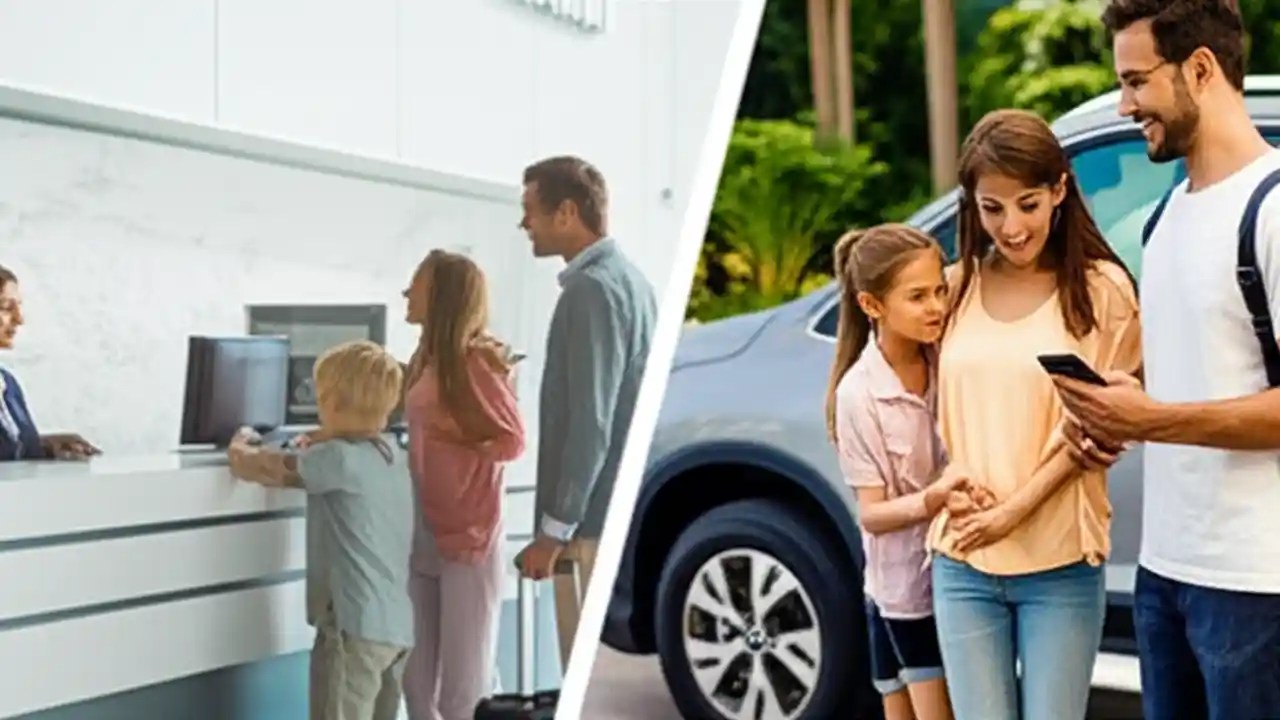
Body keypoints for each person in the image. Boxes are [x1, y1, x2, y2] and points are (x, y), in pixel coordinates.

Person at [1053, 3, 1280, 718]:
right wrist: (1119, 404)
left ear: (1202, 69)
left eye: (1136, 82)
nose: (1125, 106)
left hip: (1257, 584)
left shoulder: (1271, 208)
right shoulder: (1168, 214)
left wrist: (1155, 417)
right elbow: (1201, 362)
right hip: (1163, 576)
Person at [926, 109, 1141, 720]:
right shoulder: (954, 287)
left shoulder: (1102, 292)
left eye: (1027, 203)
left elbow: (1096, 432)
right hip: (962, 563)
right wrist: (941, 493)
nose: (1012, 227)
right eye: (992, 208)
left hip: (1059, 566)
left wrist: (1011, 514)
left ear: (1060, 191)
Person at [825, 224, 981, 720]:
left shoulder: (945, 360)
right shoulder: (859, 394)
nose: (936, 306)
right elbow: (871, 515)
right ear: (872, 306)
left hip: (953, 575)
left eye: (939, 291)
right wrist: (935, 498)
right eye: (917, 297)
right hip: (903, 593)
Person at [513, 155, 657, 668]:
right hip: (607, 512)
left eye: (530, 210)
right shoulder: (632, 281)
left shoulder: (590, 291)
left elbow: (591, 423)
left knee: (579, 664)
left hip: (586, 526)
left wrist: (554, 531)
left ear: (566, 212)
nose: (523, 223)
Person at [227, 340, 414, 720]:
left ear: (333, 399)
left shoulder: (338, 459)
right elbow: (350, 445)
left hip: (352, 628)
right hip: (396, 628)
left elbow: (266, 468)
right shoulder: (393, 454)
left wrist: (240, 444)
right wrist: (322, 436)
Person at [399, 250, 526, 720]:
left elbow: (512, 439)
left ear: (443, 296)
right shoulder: (424, 360)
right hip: (422, 533)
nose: (407, 292)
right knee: (417, 691)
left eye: (416, 283)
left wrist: (460, 436)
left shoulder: (475, 361)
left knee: (462, 696)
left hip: (469, 540)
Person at [0, 263, 99, 461]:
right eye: (7, 307)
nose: (20, 319)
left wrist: (44, 445)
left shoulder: (8, 385)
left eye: (19, 306)